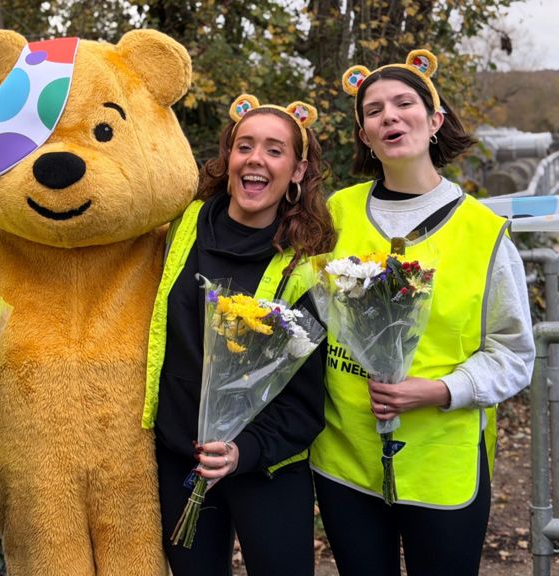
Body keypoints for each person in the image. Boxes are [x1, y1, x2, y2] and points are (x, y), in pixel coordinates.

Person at [309, 50, 535, 576]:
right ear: (364, 136)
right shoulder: (335, 213)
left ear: (434, 121)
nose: (389, 115)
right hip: (346, 458)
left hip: (442, 460)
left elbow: (513, 353)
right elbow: (307, 313)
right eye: (373, 110)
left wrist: (439, 390)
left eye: (404, 103)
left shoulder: (484, 233)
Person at [142, 94, 334, 576]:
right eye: (244, 146)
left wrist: (242, 451)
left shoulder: (305, 266)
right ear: (228, 158)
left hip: (266, 466)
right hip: (180, 457)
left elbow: (306, 400)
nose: (255, 159)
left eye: (274, 150)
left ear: (296, 170)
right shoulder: (179, 225)